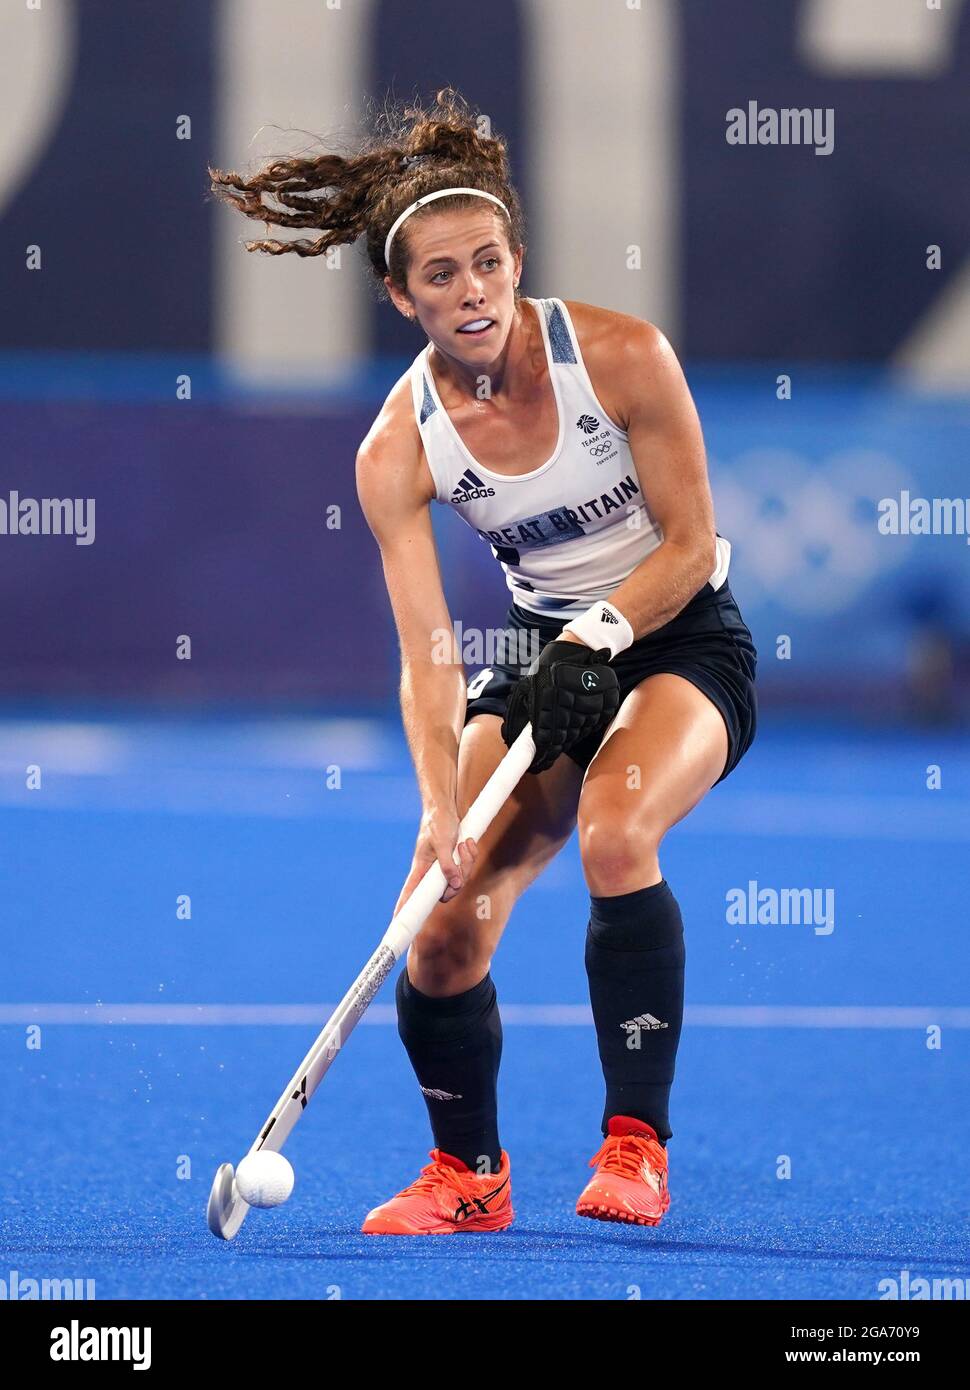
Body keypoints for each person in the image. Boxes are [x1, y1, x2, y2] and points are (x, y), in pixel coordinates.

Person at [209, 88, 757, 1235]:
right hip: (536, 651)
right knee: (440, 918)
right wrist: (432, 810)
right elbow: (424, 654)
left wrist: (602, 633)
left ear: (518, 260)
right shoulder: (394, 448)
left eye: (489, 264)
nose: (474, 295)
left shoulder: (617, 355)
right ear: (400, 297)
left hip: (678, 636)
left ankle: (634, 1146)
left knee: (614, 833)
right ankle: (469, 1175)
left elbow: (693, 544)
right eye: (442, 277)